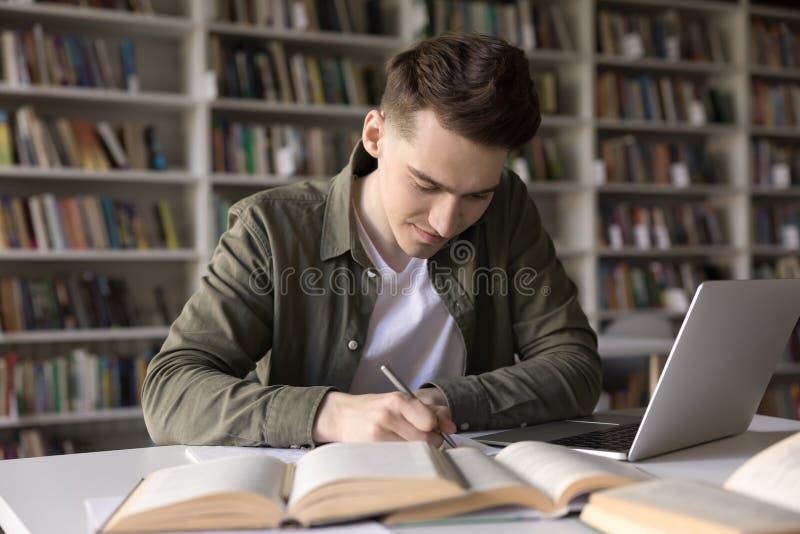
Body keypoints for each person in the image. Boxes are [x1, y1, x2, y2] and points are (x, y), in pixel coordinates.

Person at [142, 33, 601, 449]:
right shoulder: (270, 228)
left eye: (476, 194)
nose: (445, 223)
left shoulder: (507, 206)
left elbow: (574, 366)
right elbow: (170, 390)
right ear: (375, 135)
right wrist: (328, 414)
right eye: (424, 184)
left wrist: (444, 401)